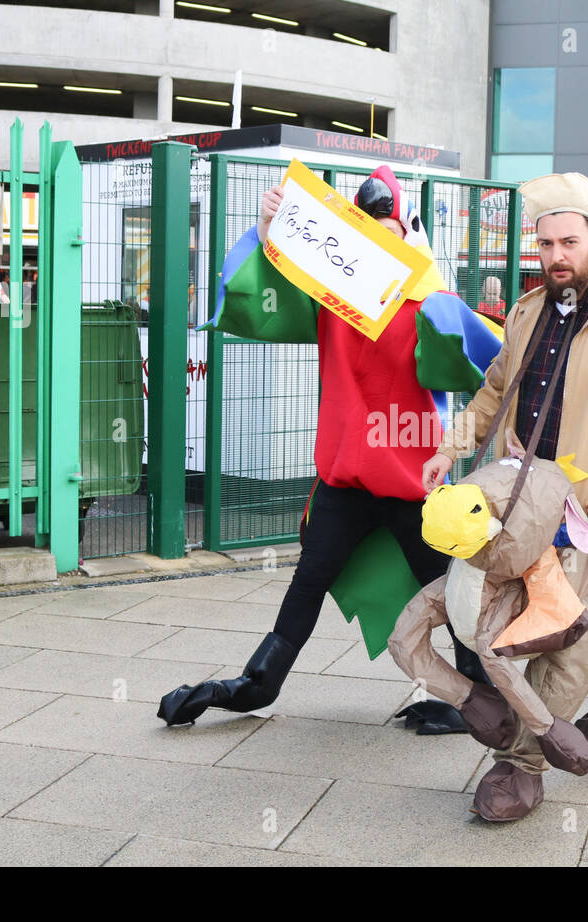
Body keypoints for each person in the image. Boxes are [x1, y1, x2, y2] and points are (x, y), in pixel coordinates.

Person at [157, 165, 502, 730]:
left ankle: (481, 697)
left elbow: (497, 369)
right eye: (366, 232)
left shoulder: (432, 306)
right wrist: (270, 229)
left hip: (413, 487)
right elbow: (256, 297)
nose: (378, 243)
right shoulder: (331, 302)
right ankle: (254, 685)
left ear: (408, 236)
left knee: (447, 589)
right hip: (344, 484)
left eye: (389, 231)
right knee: (309, 580)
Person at [422, 171, 588, 821]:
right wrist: (452, 446)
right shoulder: (526, 311)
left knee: (566, 643)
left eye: (568, 243)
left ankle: (519, 768)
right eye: (544, 246)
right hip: (538, 511)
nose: (555, 258)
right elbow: (494, 391)